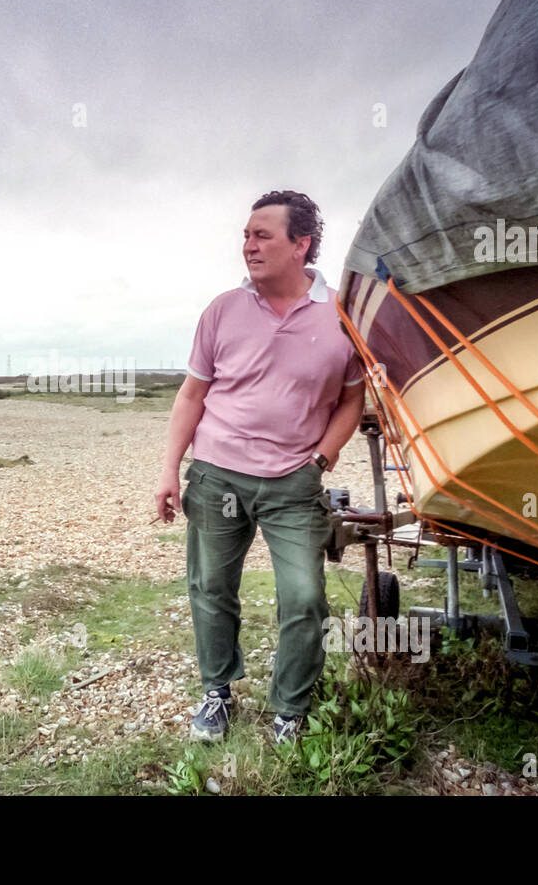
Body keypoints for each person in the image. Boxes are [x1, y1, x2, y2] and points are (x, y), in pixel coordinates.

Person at [153, 190, 366, 744]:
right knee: (211, 587)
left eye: (262, 235)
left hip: (294, 482)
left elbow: (351, 398)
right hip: (217, 472)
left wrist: (322, 457)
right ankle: (217, 694)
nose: (248, 245)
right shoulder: (222, 310)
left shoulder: (341, 315)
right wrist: (169, 471)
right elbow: (191, 396)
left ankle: (289, 710)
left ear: (302, 244)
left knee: (304, 596)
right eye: (245, 235)